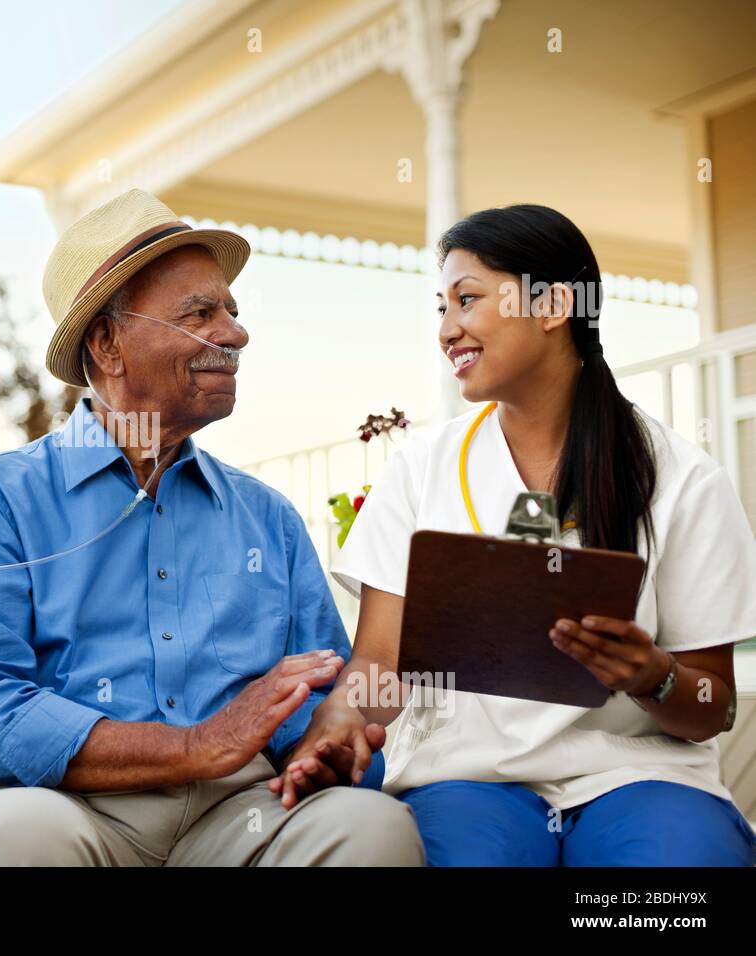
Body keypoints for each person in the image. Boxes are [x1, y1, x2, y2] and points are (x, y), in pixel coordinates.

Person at [0, 188, 423, 866]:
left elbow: (321, 705)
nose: (236, 334)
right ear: (108, 344)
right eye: (201, 314)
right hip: (68, 811)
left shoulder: (268, 519)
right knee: (17, 833)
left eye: (233, 313)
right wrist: (194, 745)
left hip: (236, 816)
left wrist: (324, 750)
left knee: (370, 826)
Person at [290, 203, 756, 866]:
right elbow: (381, 662)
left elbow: (710, 705)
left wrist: (653, 677)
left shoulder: (684, 481)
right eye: (441, 308)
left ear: (554, 305)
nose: (448, 330)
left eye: (469, 300)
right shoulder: (422, 471)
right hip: (468, 777)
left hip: (637, 775)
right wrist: (343, 715)